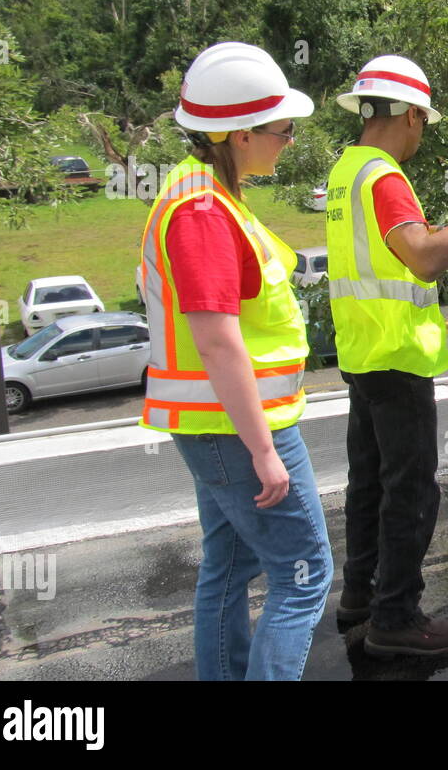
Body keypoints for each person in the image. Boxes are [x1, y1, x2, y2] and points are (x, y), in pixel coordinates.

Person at [139, 42, 331, 680]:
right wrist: (263, 449)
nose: (289, 140)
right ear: (239, 133)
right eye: (282, 130)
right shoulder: (202, 213)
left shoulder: (207, 193)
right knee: (304, 576)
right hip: (238, 430)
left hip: (216, 427)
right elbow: (217, 339)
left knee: (227, 568)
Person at [326, 55, 448, 657]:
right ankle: (396, 617)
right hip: (398, 355)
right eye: (423, 119)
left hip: (362, 350)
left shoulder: (346, 171)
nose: (422, 132)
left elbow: (391, 258)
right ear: (411, 114)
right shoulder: (384, 177)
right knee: (412, 489)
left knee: (369, 480)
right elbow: (422, 257)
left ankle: (361, 596)